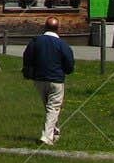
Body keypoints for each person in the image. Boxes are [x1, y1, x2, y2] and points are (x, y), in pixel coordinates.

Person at [22, 17, 76, 146]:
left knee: (49, 107)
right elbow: (69, 63)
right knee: (53, 107)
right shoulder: (62, 44)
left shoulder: (35, 42)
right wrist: (66, 70)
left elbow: (27, 57)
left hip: (39, 79)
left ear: (45, 27)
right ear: (58, 29)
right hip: (56, 79)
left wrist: (29, 72)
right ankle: (46, 137)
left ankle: (55, 132)